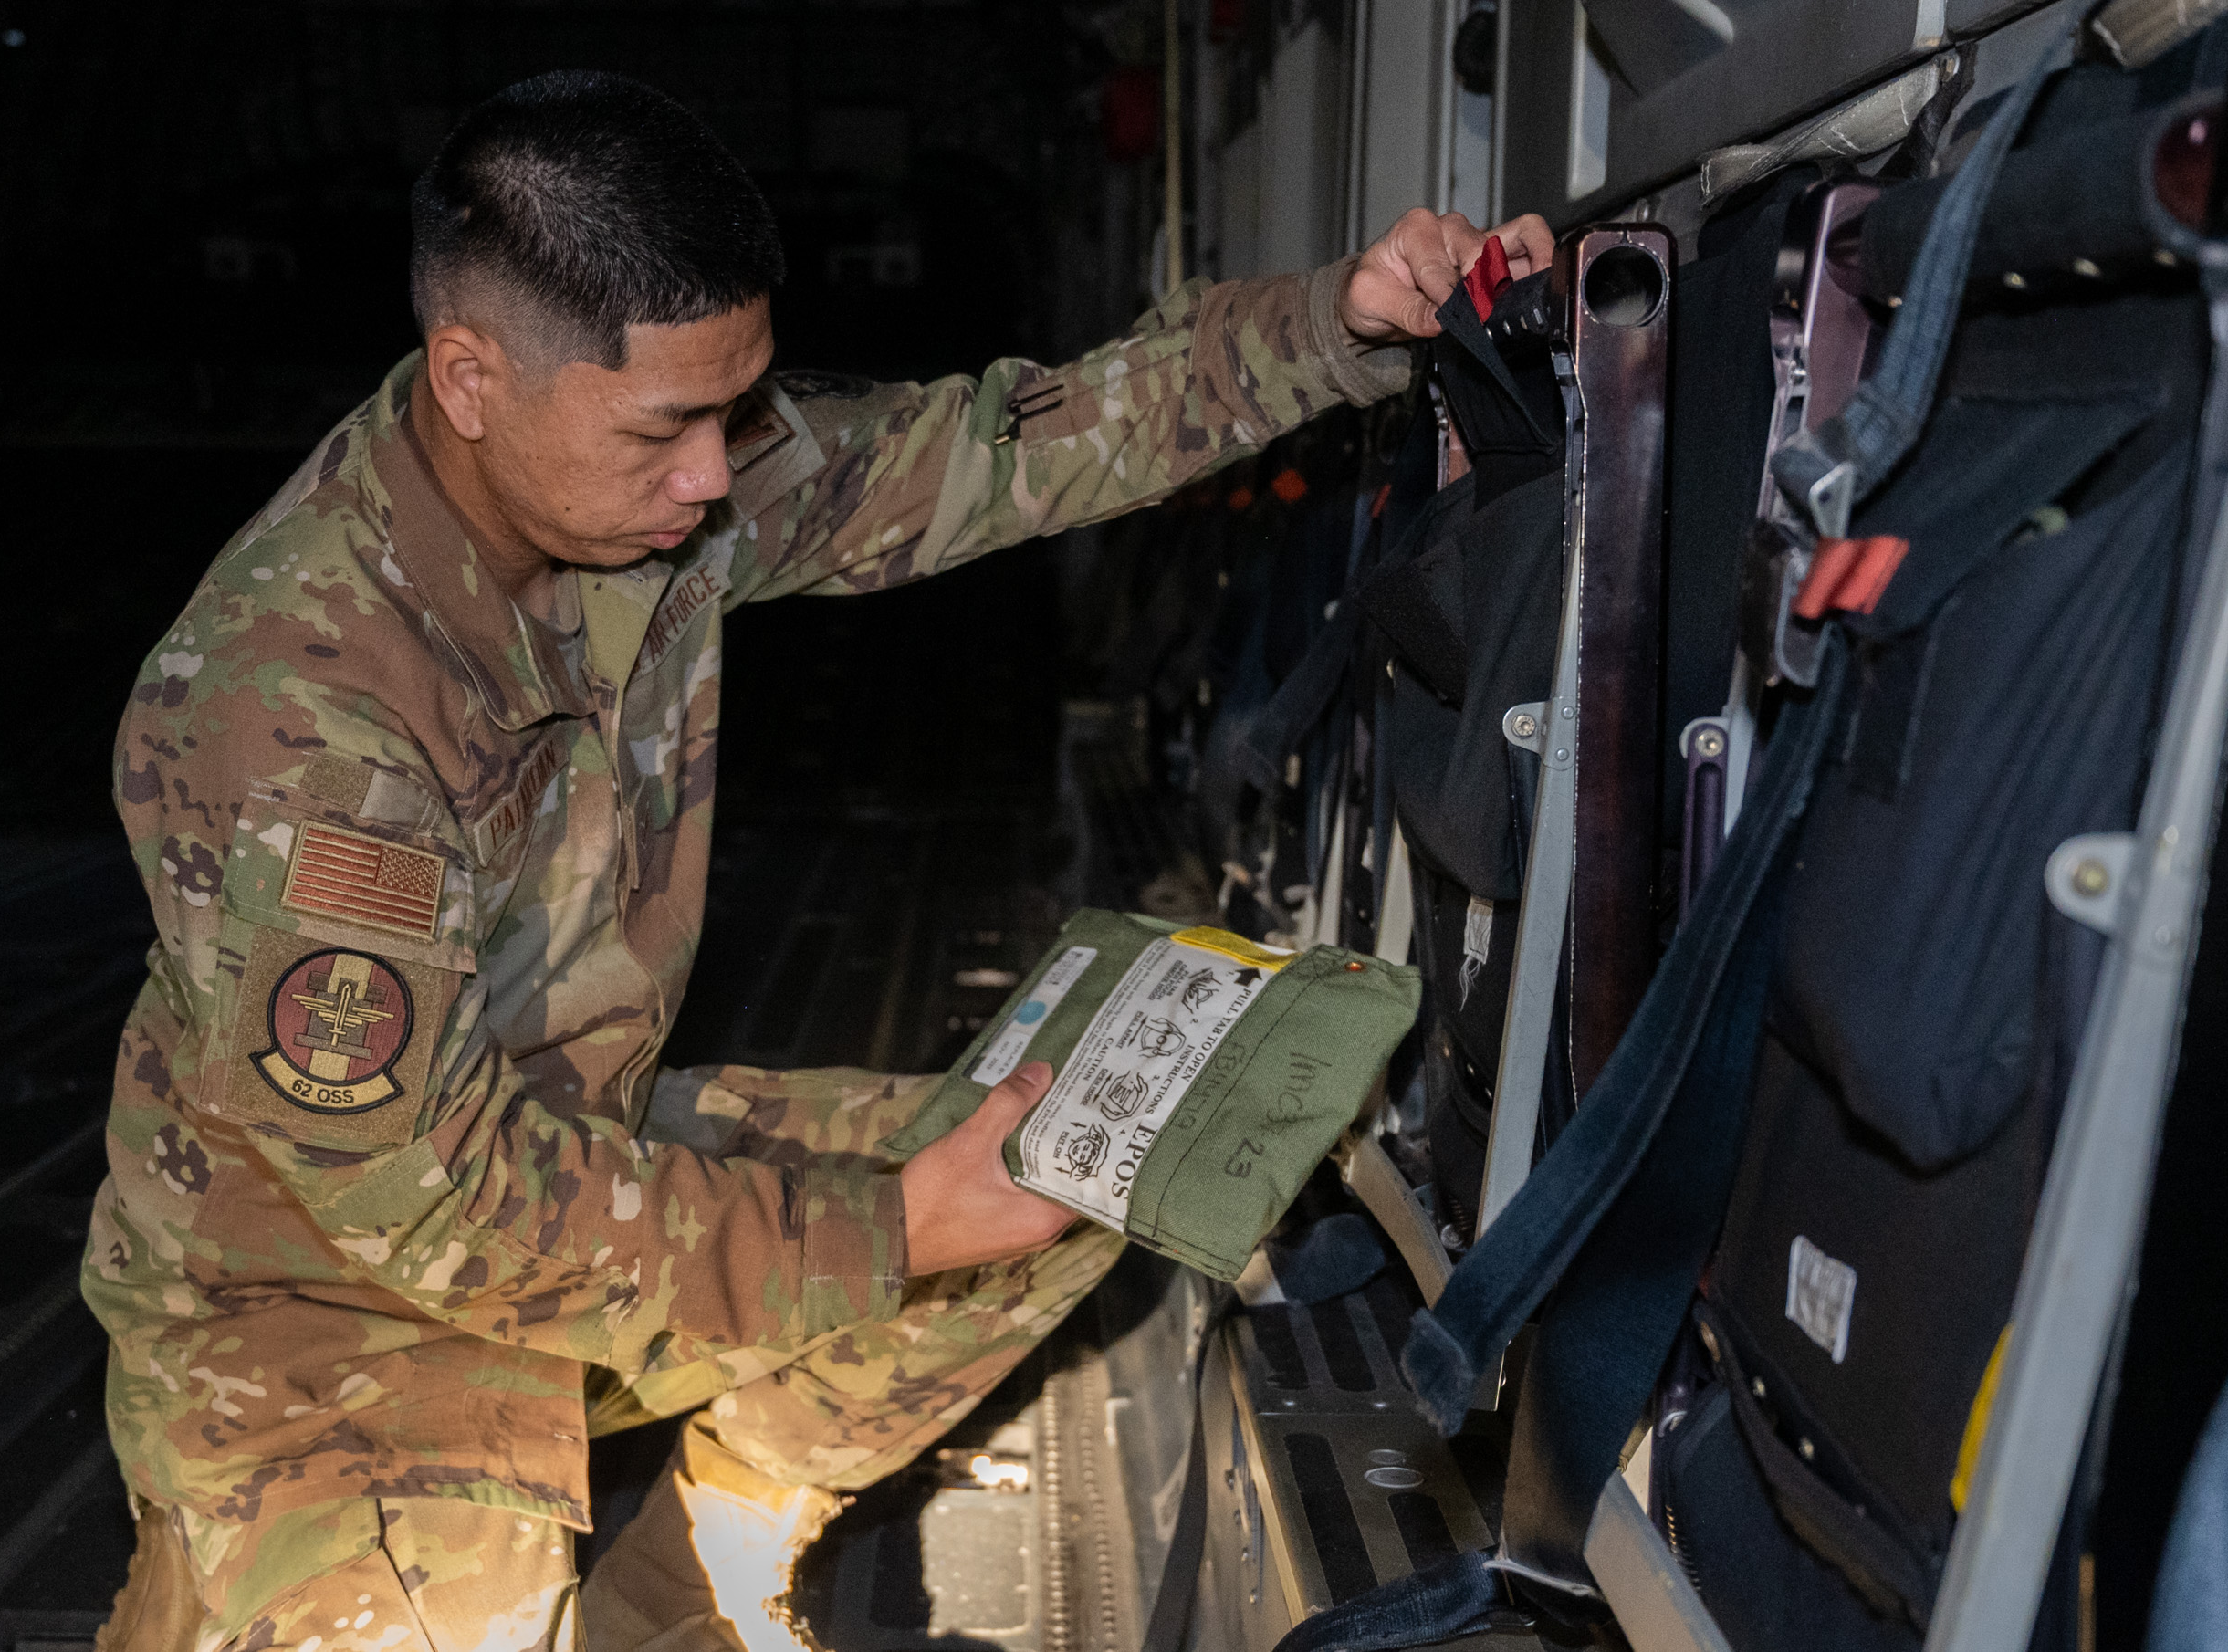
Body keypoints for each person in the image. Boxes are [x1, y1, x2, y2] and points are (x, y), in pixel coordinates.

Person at [83, 67, 1552, 1652]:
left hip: (577, 1150)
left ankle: (706, 1554)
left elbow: (994, 448)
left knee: (1085, 1140)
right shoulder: (294, 707)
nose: (719, 476)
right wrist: (897, 1228)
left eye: (738, 409)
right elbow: (434, 1206)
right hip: (320, 1312)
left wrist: (1341, 325)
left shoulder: (644, 496)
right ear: (471, 376)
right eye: (672, 428)